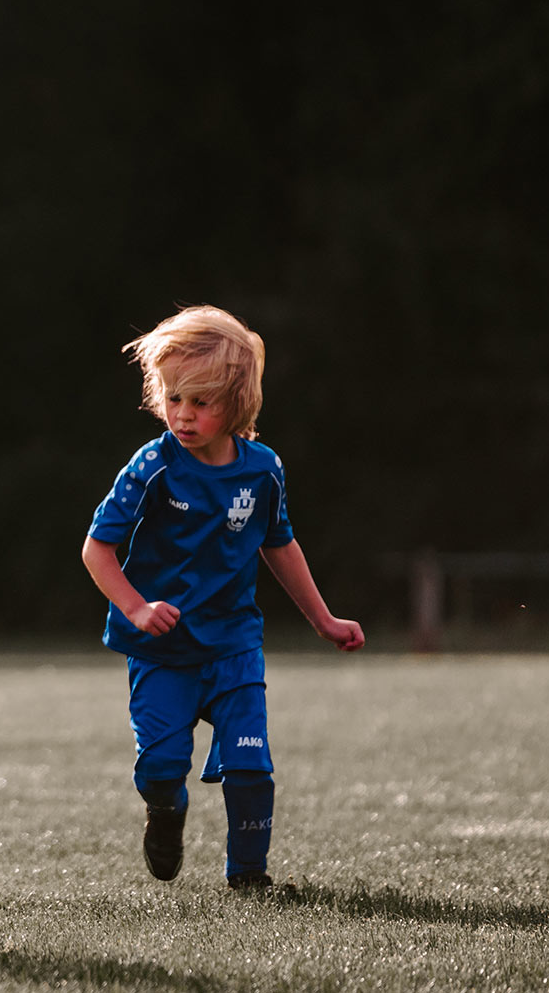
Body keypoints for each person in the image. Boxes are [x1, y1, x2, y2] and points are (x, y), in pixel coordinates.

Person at [80, 305, 364, 891]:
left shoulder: (263, 471)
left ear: (236, 404)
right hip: (162, 650)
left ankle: (249, 875)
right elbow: (96, 549)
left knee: (251, 764)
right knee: (161, 767)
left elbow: (278, 544)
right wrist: (136, 608)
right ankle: (165, 809)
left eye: (201, 402)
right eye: (173, 397)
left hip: (234, 642)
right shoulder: (153, 466)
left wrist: (323, 619)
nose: (182, 414)